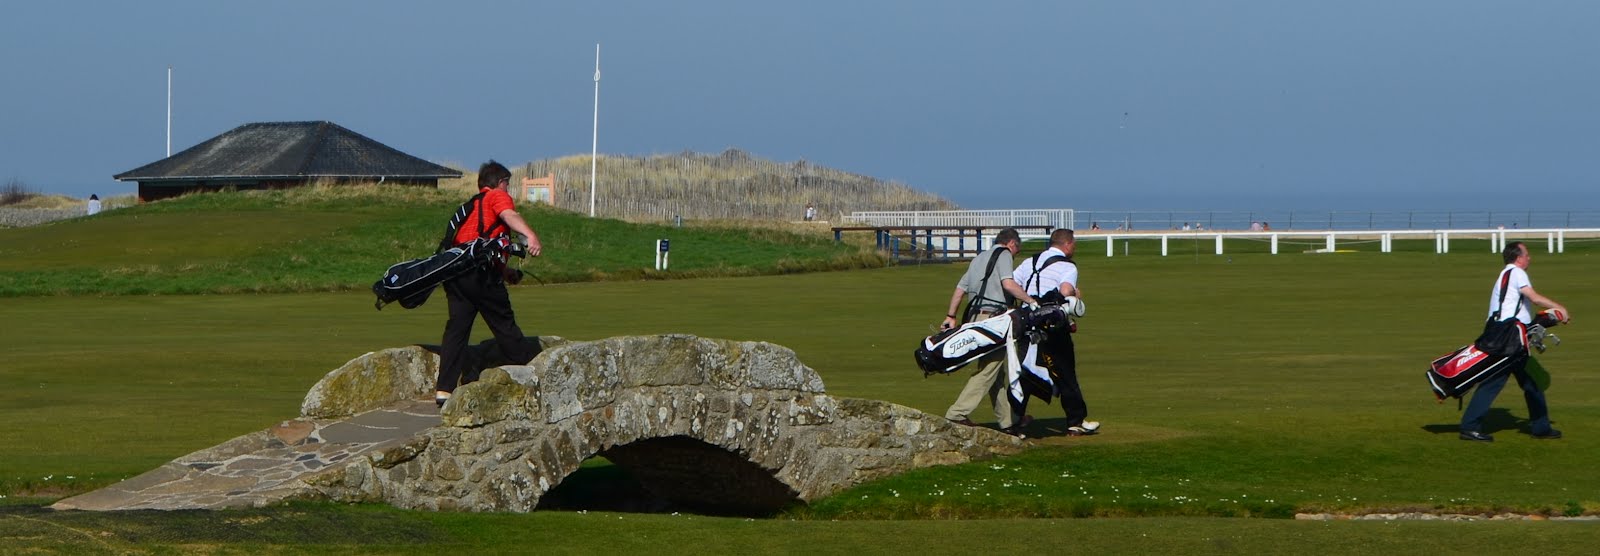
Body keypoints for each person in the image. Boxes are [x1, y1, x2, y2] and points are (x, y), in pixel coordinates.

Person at [436, 160, 544, 408]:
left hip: (456, 275)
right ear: (500, 182)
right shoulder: (496, 197)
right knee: (504, 323)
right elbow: (510, 215)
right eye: (508, 184)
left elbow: (476, 244)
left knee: (457, 331)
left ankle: (444, 390)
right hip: (481, 276)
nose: (509, 190)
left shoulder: (470, 207)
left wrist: (505, 272)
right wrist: (531, 237)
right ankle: (529, 376)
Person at [1459, 241, 1570, 442]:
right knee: (1494, 382)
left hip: (1506, 336)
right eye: (1526, 254)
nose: (1529, 258)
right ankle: (1469, 427)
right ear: (1518, 258)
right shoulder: (1517, 273)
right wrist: (1560, 307)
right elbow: (1533, 298)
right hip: (1510, 339)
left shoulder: (1504, 274)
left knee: (1532, 381)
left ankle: (1541, 427)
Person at [939, 228, 1038, 436]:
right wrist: (1030, 301)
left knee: (995, 372)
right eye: (1016, 251)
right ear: (1011, 244)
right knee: (988, 370)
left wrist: (951, 315)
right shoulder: (1003, 254)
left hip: (975, 320)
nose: (1015, 254)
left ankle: (1008, 421)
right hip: (993, 320)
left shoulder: (979, 258)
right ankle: (957, 413)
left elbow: (960, 289)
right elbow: (1008, 284)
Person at [1011, 228, 1099, 436]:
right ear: (1067, 244)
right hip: (1052, 326)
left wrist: (1029, 301)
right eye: (1074, 244)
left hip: (1026, 323)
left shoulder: (1029, 262)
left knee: (1025, 371)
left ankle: (1014, 421)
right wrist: (1076, 294)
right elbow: (1065, 291)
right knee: (1066, 371)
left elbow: (1012, 283)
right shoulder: (1067, 266)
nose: (1074, 247)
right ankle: (1075, 421)